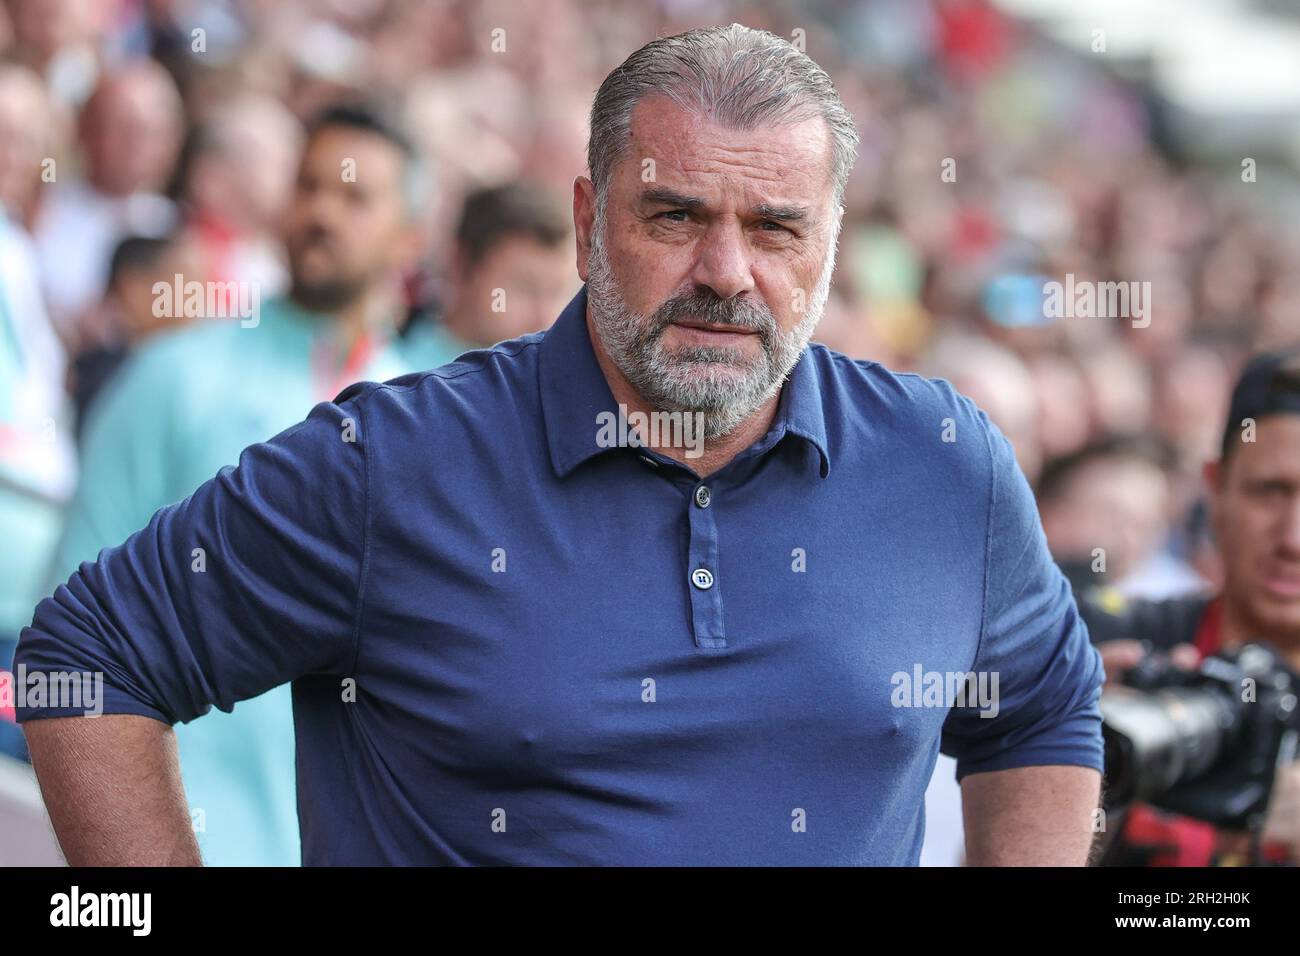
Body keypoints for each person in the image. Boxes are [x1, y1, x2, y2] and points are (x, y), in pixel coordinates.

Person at [17, 25, 1103, 866]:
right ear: (587, 220)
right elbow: (86, 656)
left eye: (775, 227)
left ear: (828, 241)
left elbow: (1044, 709)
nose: (727, 271)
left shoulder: (945, 464)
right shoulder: (392, 460)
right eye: (675, 216)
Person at [32, 101, 428, 865]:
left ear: (409, 239)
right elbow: (67, 636)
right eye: (309, 186)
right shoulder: (171, 375)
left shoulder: (429, 415)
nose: (321, 211)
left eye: (354, 196)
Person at [1081, 347, 1300, 865]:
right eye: (1270, 491)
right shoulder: (1105, 645)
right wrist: (1061, 747)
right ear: (1215, 489)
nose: (1293, 538)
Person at [401, 180, 574, 370]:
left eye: (557, 291)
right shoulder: (394, 378)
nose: (545, 317)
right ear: (462, 265)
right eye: (524, 287)